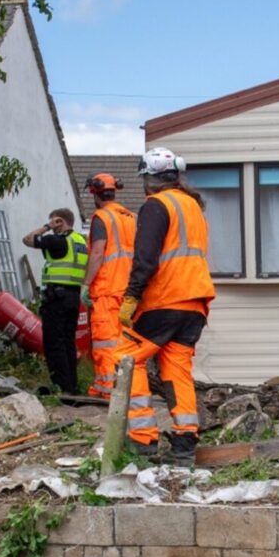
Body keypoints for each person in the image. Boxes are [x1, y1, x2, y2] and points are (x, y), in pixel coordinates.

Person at [114, 147, 214, 466]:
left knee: (126, 358)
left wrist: (131, 297)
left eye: (144, 178)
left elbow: (145, 258)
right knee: (176, 368)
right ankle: (184, 443)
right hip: (195, 303)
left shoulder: (156, 205)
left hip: (165, 300)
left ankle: (143, 438)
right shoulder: (193, 207)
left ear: (151, 178)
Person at [21, 207, 88, 394]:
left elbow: (27, 239)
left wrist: (46, 227)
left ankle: (62, 388)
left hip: (56, 299)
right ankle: (72, 387)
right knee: (68, 342)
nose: (52, 225)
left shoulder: (57, 240)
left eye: (54, 221)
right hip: (73, 297)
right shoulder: (80, 241)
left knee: (53, 344)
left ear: (59, 221)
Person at [80, 174, 135, 401]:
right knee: (126, 343)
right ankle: (128, 389)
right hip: (130, 291)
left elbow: (98, 252)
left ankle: (105, 392)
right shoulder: (130, 217)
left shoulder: (101, 217)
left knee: (105, 342)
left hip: (107, 289)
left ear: (94, 193)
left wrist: (86, 284)